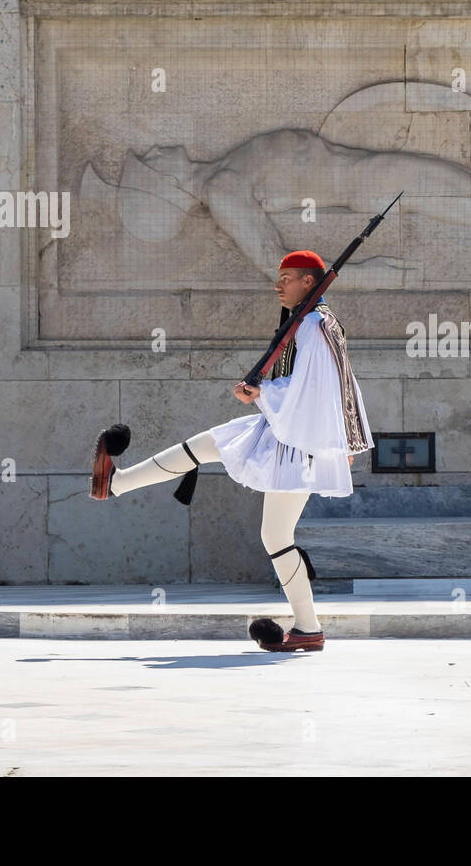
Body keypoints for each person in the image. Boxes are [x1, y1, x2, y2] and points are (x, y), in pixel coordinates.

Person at [88, 250, 372, 653]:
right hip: (288, 431)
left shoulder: (316, 325)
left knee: (273, 531)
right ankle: (114, 484)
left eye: (288, 278)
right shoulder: (309, 322)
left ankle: (308, 628)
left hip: (299, 440)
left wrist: (265, 392)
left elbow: (325, 388)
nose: (279, 285)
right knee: (212, 451)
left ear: (309, 282)